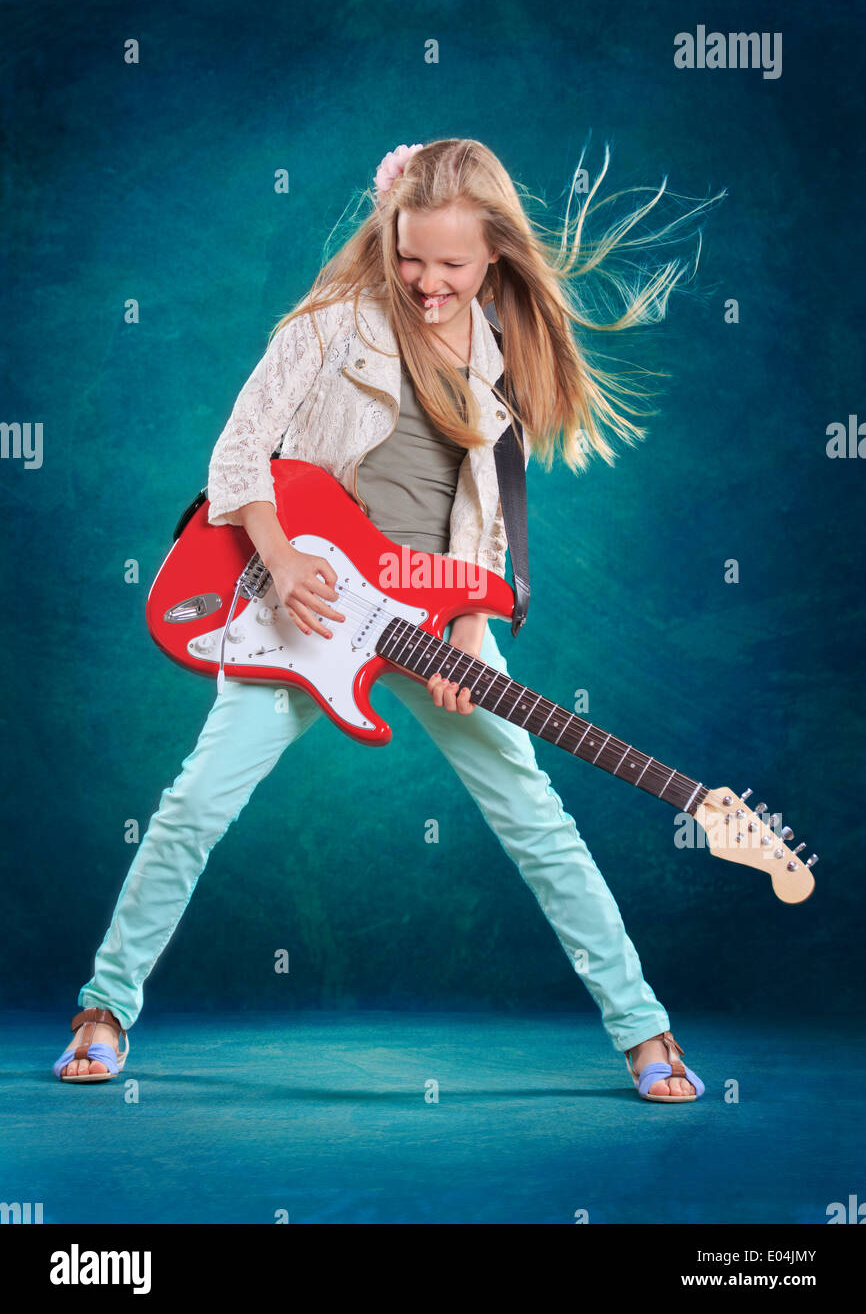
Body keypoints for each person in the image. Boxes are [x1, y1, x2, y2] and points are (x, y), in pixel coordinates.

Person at [54, 138, 721, 1102]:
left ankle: (646, 1032)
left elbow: (487, 531)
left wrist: (467, 632)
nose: (427, 281)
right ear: (388, 233)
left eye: (452, 264)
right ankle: (103, 1008)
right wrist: (280, 564)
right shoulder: (327, 328)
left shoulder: (502, 362)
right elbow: (236, 460)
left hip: (430, 620)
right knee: (195, 806)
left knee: (538, 820)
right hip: (304, 608)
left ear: (495, 251)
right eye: (411, 256)